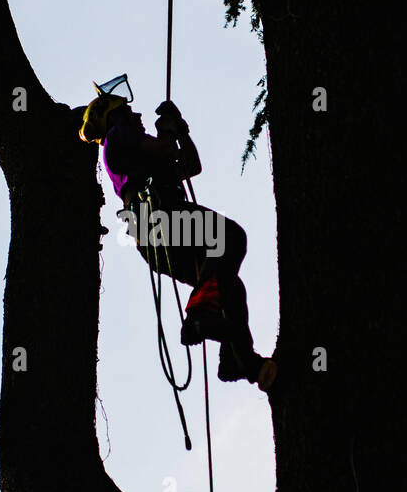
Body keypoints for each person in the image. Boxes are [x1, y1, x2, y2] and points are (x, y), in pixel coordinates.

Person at [79, 91, 277, 391]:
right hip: (163, 218)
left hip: (157, 236)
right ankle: (200, 314)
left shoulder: (136, 158)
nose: (137, 115)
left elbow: (191, 165)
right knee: (231, 237)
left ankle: (241, 362)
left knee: (230, 287)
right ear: (115, 117)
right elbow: (163, 148)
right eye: (128, 110)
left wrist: (181, 131)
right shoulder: (119, 136)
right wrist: (168, 130)